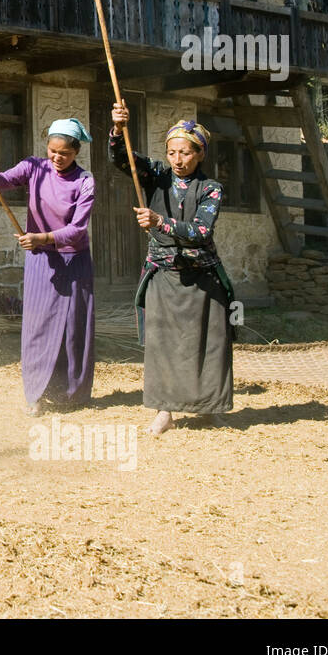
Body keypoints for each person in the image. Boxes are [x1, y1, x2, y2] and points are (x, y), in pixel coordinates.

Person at [109, 100, 233, 435]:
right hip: (164, 276)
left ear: (201, 154)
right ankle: (165, 410)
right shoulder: (156, 178)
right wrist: (118, 130)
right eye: (172, 152)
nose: (178, 160)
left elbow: (200, 232)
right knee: (163, 344)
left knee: (208, 343)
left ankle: (209, 408)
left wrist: (160, 222)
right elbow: (124, 160)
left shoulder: (211, 189)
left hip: (203, 280)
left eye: (186, 153)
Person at [0, 118, 96, 416]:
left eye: (64, 153)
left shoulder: (85, 181)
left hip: (74, 261)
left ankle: (71, 393)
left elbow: (77, 229)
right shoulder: (34, 167)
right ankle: (37, 393)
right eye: (53, 151)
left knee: (72, 327)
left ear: (76, 152)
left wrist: (41, 237)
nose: (57, 158)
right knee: (38, 326)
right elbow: (2, 181)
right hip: (41, 262)